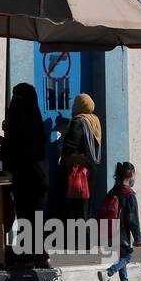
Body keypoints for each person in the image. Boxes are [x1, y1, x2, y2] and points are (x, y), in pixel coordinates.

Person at [0, 83, 49, 266]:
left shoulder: (20, 121)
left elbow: (16, 147)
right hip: (39, 175)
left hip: (26, 176)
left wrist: (6, 137)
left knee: (27, 216)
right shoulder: (34, 119)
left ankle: (28, 255)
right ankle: (39, 255)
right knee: (35, 217)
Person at [59, 93, 102, 245]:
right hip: (91, 171)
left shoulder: (78, 123)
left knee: (75, 207)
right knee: (85, 207)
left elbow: (70, 149)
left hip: (78, 172)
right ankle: (86, 241)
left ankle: (76, 242)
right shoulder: (94, 121)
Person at [96, 161, 141, 281]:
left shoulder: (113, 191)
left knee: (121, 255)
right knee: (127, 256)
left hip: (109, 228)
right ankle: (108, 273)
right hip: (121, 230)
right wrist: (137, 237)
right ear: (131, 174)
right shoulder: (128, 194)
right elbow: (133, 218)